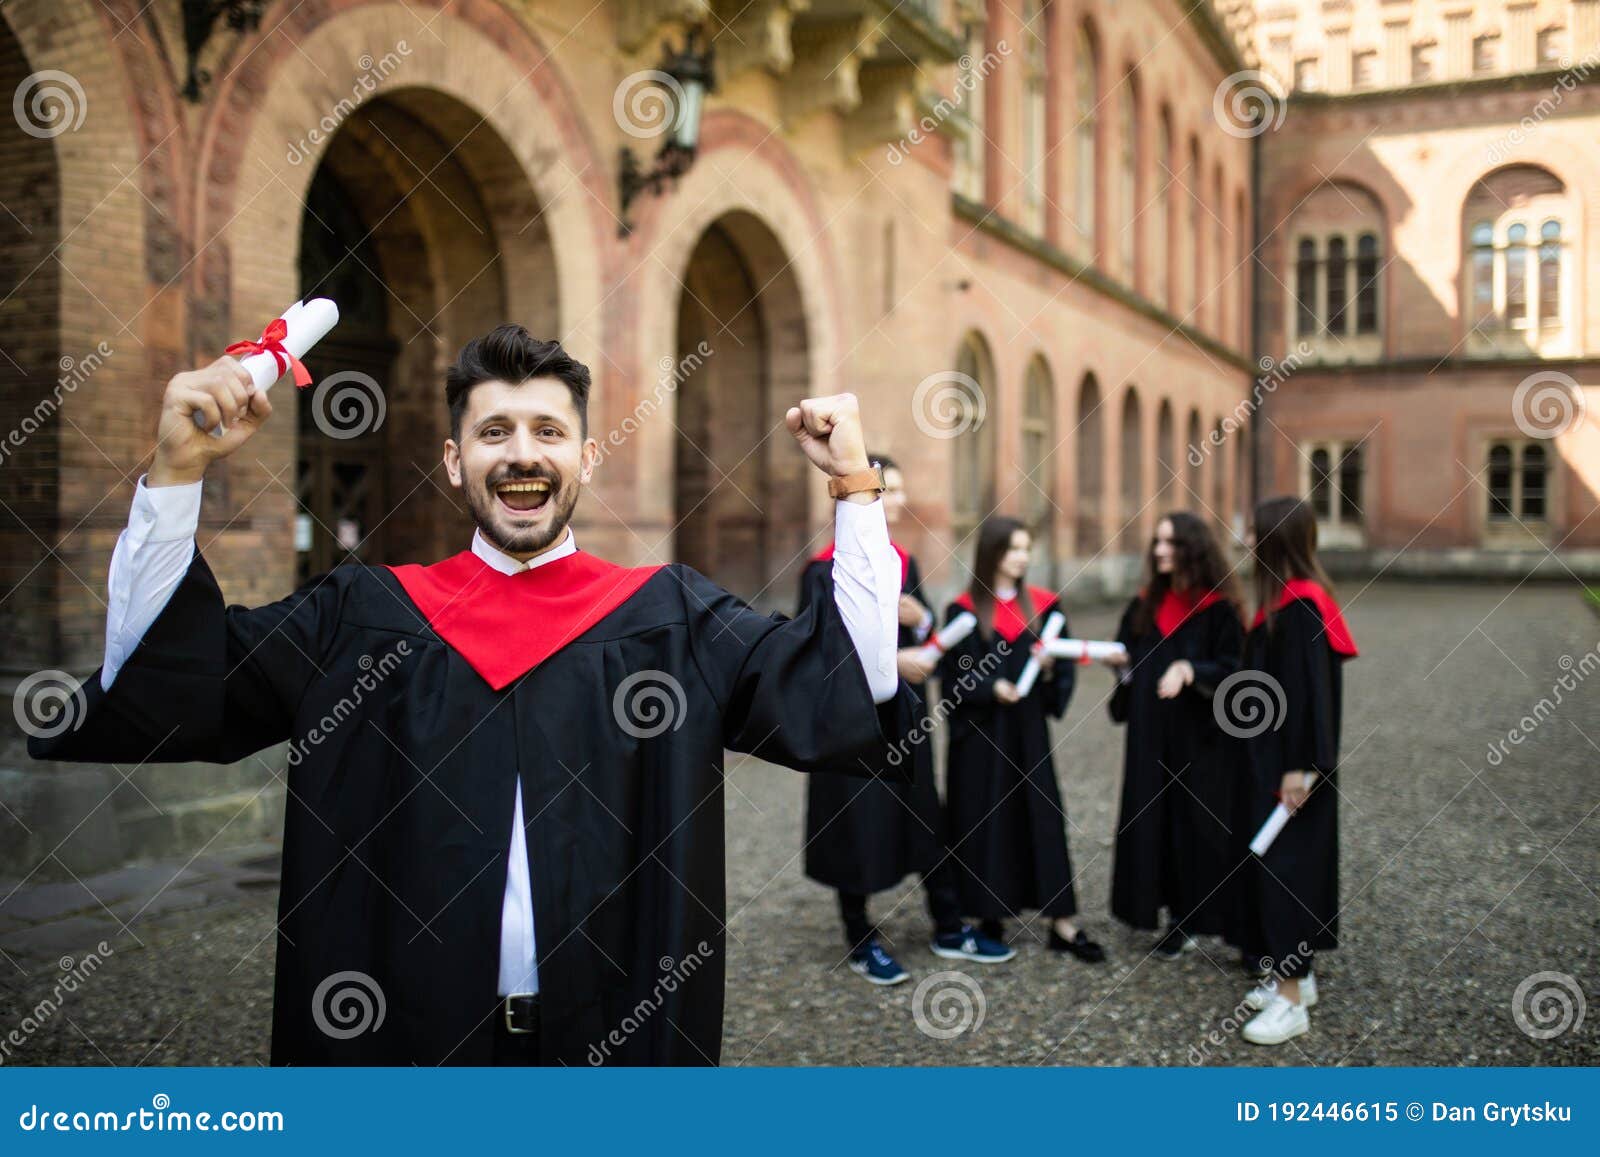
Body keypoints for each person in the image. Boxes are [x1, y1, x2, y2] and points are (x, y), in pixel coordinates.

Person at [29, 324, 915, 1066]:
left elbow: (853, 683)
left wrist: (854, 485)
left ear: (587, 458)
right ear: (454, 462)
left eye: (547, 431)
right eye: (494, 433)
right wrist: (177, 469)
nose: (522, 453)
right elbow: (161, 676)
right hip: (400, 1049)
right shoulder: (364, 617)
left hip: (614, 1041)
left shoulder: (669, 619)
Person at [800, 454, 1012, 985]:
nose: (895, 500)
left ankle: (947, 924)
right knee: (855, 825)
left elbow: (922, 636)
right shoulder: (820, 570)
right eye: (885, 490)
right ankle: (859, 935)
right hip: (846, 724)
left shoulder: (903, 563)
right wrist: (893, 660)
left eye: (896, 490)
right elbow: (816, 654)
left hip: (903, 718)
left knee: (924, 816)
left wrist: (923, 622)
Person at [936, 516, 1105, 962]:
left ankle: (1062, 922)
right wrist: (990, 688)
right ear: (991, 553)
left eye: (1026, 549)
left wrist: (1050, 670)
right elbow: (951, 678)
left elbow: (1063, 669)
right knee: (983, 819)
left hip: (1028, 733)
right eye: (1013, 549)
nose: (1021, 558)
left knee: (1041, 815)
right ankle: (989, 913)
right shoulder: (963, 611)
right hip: (980, 736)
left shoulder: (1045, 608)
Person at [1225, 496, 1358, 1046]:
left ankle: (1289, 999)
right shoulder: (1283, 603)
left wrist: (1303, 768)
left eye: (1252, 530)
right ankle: (1294, 980)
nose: (1244, 539)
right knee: (1279, 872)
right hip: (1276, 765)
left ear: (1272, 541)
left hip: (1292, 770)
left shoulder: (1301, 607)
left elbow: (1310, 698)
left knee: (1287, 878)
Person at [1105, 512, 1244, 960]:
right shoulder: (1144, 605)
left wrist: (1191, 670)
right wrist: (1122, 670)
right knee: (1152, 821)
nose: (1161, 550)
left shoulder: (1220, 609)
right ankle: (1163, 912)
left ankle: (1197, 914)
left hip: (1200, 739)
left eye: (1171, 543)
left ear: (1194, 549)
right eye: (1158, 542)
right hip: (1149, 736)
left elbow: (1236, 671)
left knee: (1196, 824)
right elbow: (1129, 665)